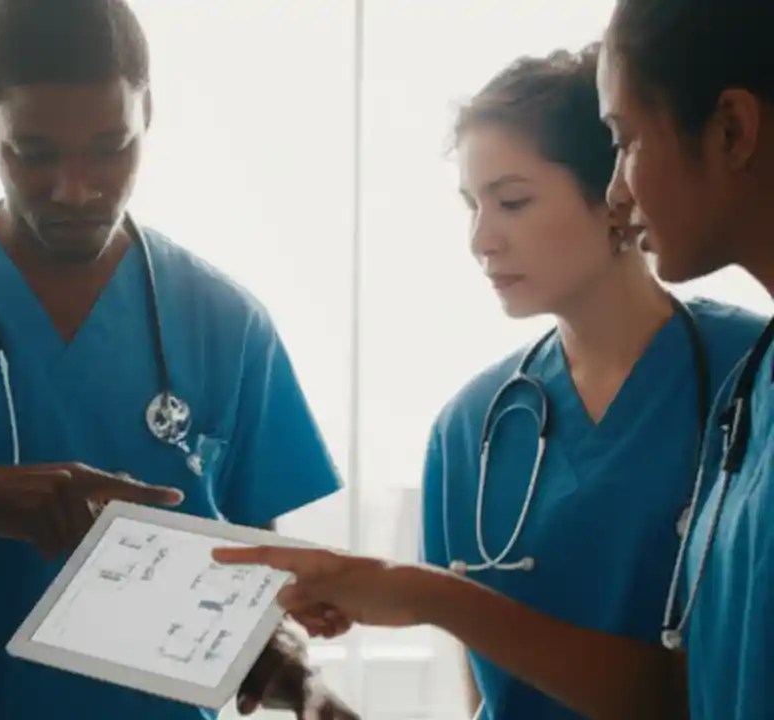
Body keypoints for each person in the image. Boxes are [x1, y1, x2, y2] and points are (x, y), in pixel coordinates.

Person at [0, 1, 355, 718]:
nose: (76, 188)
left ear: (147, 112)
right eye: (34, 153)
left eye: (110, 148)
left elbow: (251, 602)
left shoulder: (226, 324)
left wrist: (296, 674)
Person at [215, 41, 770, 720]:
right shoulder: (469, 427)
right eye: (471, 206)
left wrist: (424, 594)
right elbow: (485, 691)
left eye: (512, 202)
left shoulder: (750, 370)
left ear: (617, 190)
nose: (482, 239)